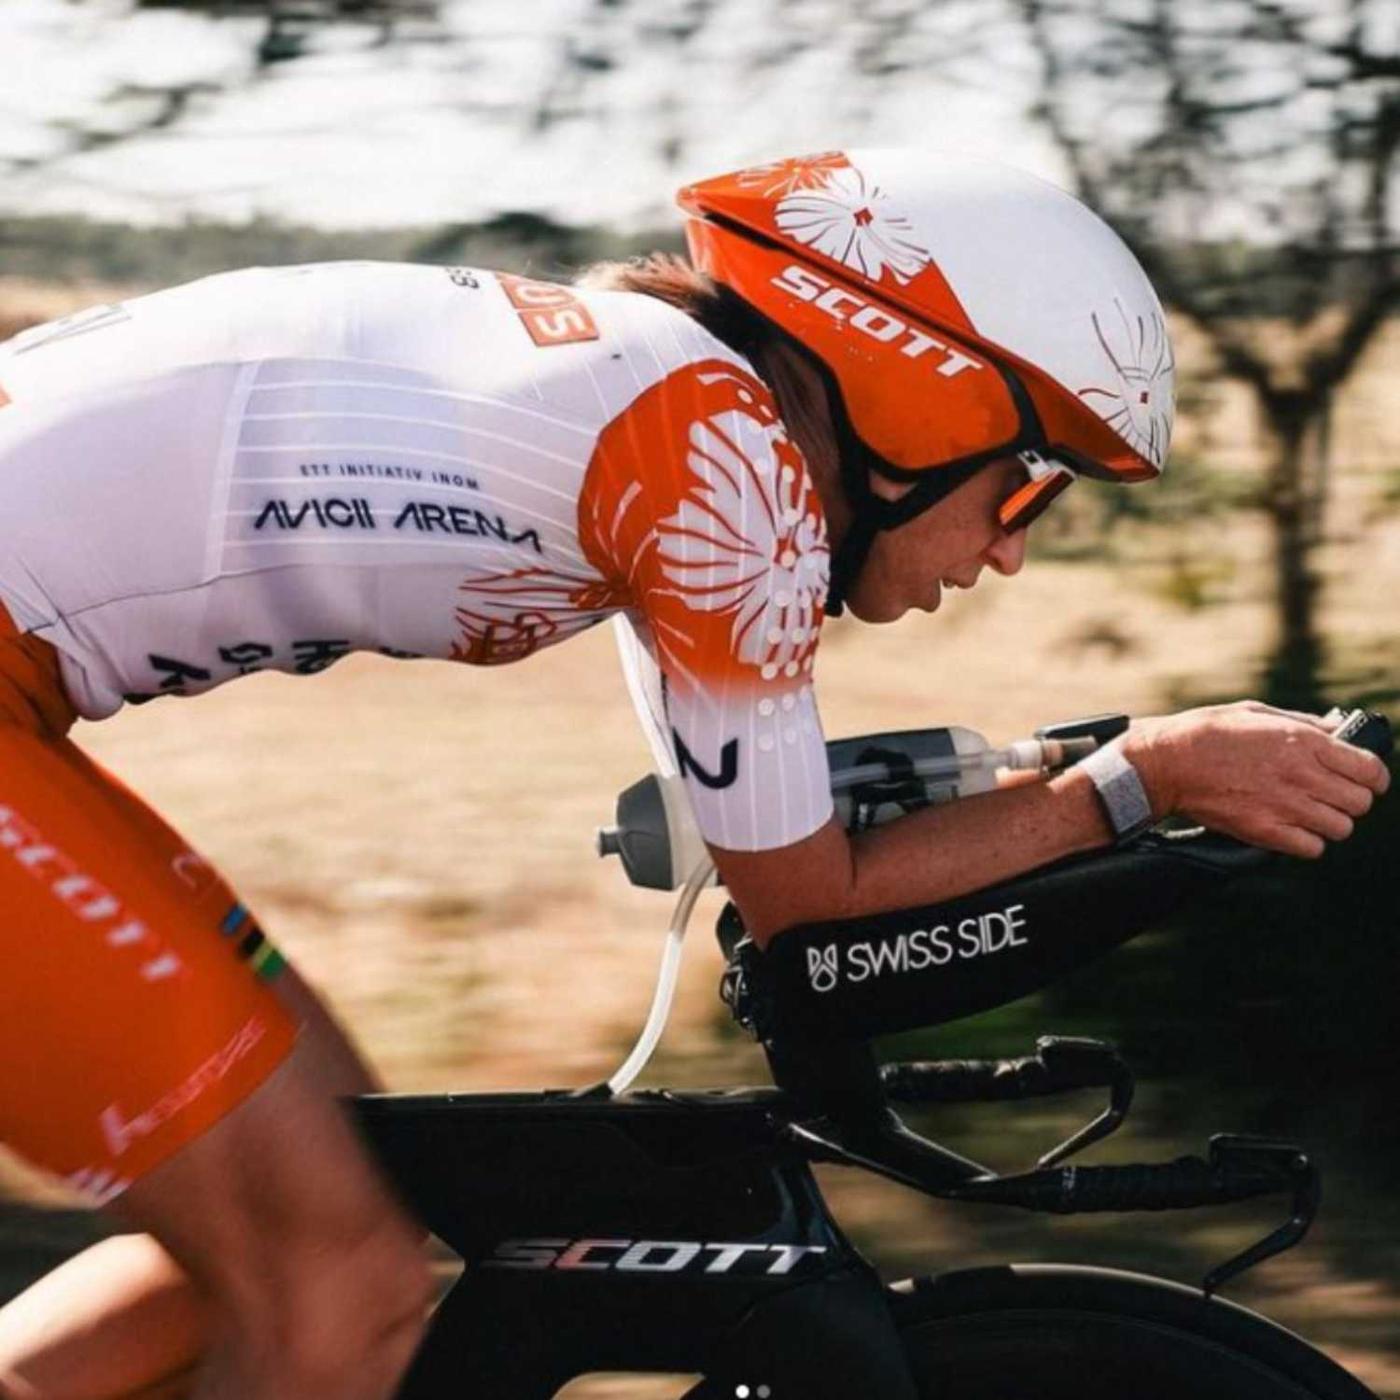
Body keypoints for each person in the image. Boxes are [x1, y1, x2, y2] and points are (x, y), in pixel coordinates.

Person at [0, 149, 1387, 1399]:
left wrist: (1107, 777)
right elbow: (814, 910)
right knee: (337, 1282)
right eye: (1027, 485)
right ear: (926, 395)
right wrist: (1140, 779)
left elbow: (766, 829)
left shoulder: (672, 402)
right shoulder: (723, 475)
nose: (1014, 548)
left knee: (314, 1209)